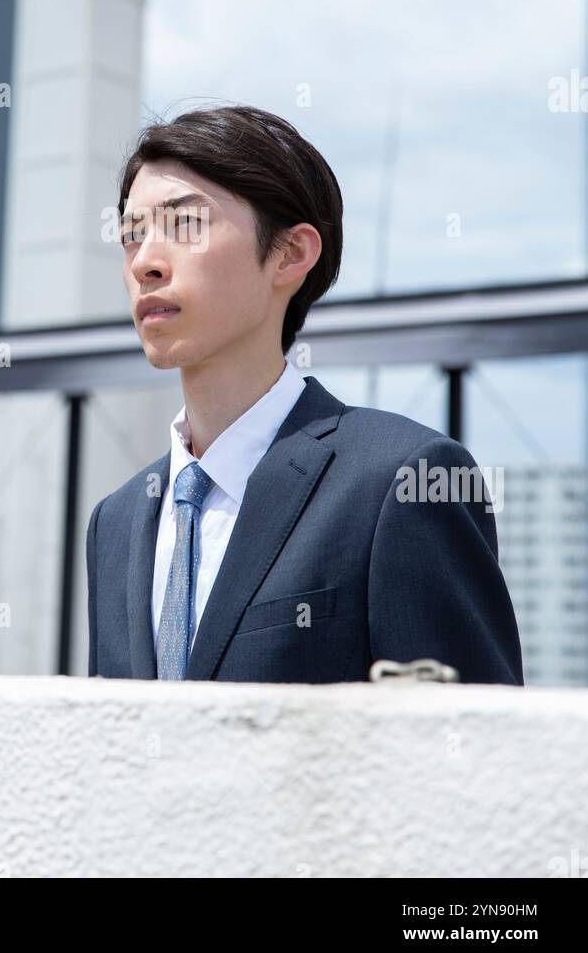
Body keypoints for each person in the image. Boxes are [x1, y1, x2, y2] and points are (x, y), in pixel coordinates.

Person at [86, 103, 523, 685]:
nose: (144, 263)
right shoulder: (115, 523)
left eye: (184, 225)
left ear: (291, 253)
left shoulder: (402, 480)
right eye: (130, 235)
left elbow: (472, 751)